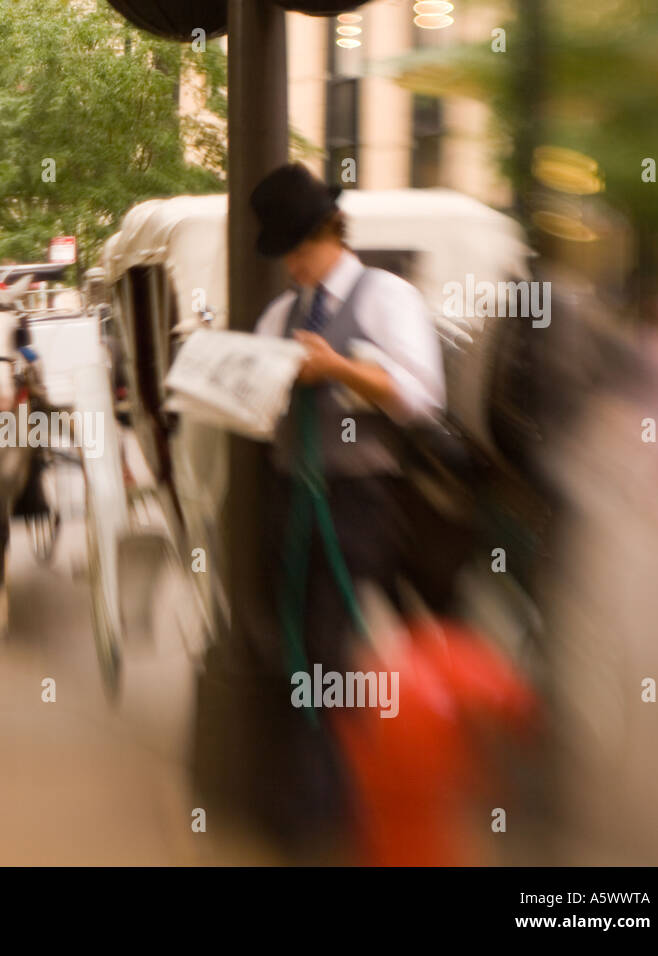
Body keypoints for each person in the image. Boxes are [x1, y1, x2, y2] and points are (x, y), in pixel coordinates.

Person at [249, 163, 446, 855]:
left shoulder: (386, 297)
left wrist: (337, 368)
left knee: (329, 649)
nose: (289, 268)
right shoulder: (280, 316)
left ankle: (321, 817)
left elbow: (420, 395)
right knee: (292, 645)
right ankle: (308, 802)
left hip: (354, 500)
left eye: (293, 252)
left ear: (321, 236)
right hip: (288, 496)